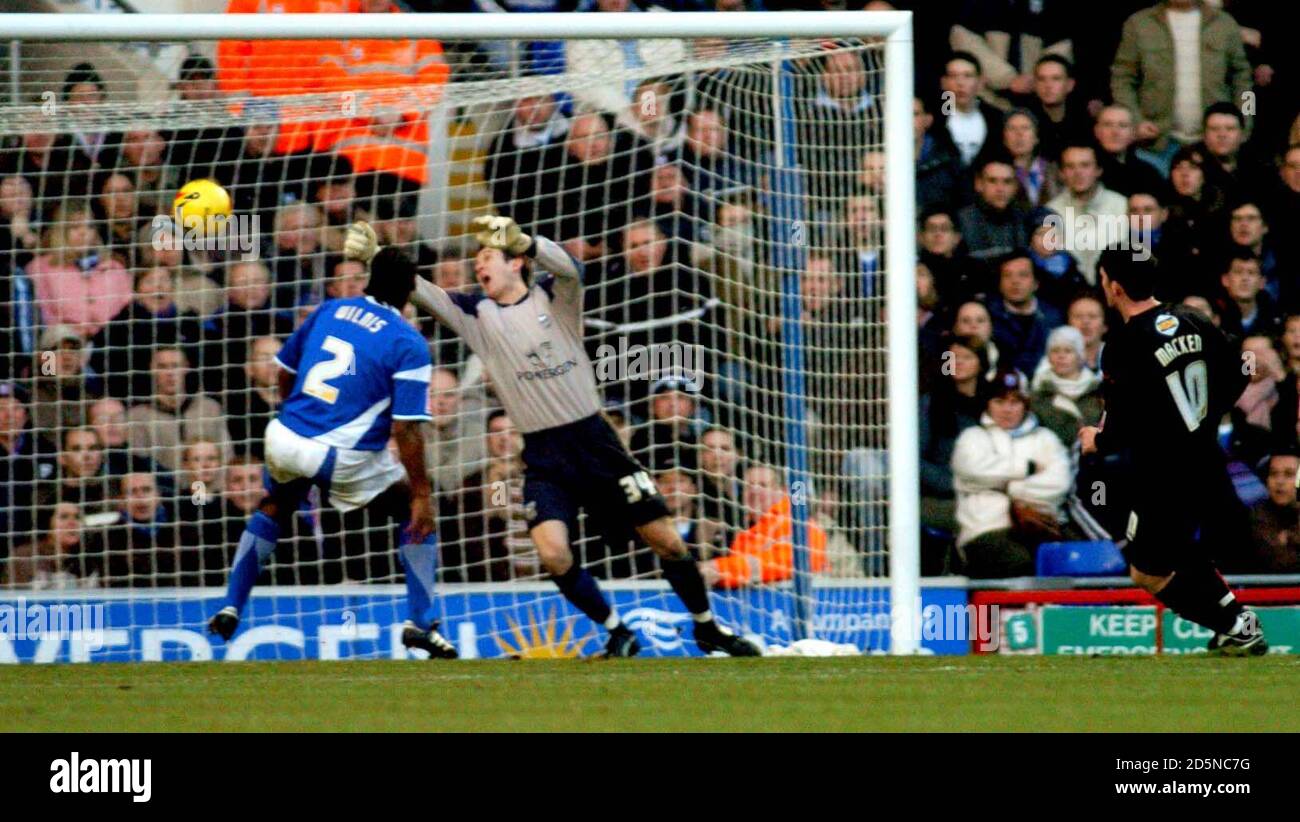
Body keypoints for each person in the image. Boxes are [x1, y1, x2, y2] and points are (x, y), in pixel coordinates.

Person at [355, 215, 759, 656]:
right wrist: (375, 254)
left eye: (488, 256)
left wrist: (528, 241)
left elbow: (572, 269)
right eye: (477, 261)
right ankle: (616, 629)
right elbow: (418, 287)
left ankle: (706, 627)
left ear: (516, 264)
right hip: (545, 455)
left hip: (595, 441)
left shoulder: (554, 296)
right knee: (553, 553)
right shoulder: (475, 315)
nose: (479, 267)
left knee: (666, 540)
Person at [207, 245, 457, 660]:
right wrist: (421, 492)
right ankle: (421, 622)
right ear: (411, 290)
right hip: (340, 455)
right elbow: (406, 429)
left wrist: (296, 415)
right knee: (412, 514)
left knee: (275, 505)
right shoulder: (408, 342)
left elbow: (284, 372)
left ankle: (233, 602)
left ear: (368, 280)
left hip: (285, 436)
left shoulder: (329, 310)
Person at [1079, 247, 1266, 654]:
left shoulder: (1124, 343)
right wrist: (1206, 418)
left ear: (1114, 286)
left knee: (1147, 571)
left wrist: (1097, 440)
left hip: (1164, 473)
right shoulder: (1193, 319)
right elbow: (1239, 372)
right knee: (1180, 552)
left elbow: (1122, 421)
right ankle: (1233, 621)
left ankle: (1236, 623)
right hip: (1207, 462)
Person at [951, 368, 1072, 578]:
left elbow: (1059, 482)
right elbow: (973, 470)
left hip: (1042, 527)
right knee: (1019, 563)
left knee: (1080, 561)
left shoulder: (1046, 439)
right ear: (987, 403)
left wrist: (1009, 486)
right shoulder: (973, 437)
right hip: (985, 529)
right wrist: (1027, 469)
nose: (1007, 409)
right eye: (999, 401)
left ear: (1025, 405)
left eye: (1015, 402)